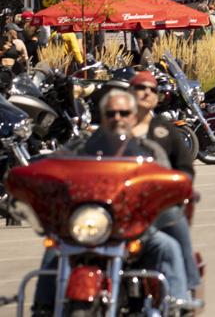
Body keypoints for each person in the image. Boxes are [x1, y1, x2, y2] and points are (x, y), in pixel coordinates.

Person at [34, 91, 192, 311]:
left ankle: (177, 303)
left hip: (133, 228)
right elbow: (55, 166)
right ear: (103, 116)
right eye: (112, 113)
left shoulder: (149, 151)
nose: (118, 117)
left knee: (168, 247)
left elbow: (164, 182)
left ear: (133, 116)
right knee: (55, 247)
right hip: (90, 223)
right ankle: (42, 308)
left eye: (124, 113)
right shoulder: (80, 147)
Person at [129, 71, 200, 294]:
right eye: (141, 87)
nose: (147, 92)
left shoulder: (164, 129)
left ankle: (186, 289)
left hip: (158, 204)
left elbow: (185, 167)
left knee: (175, 229)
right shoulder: (116, 125)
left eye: (152, 89)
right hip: (121, 203)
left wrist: (178, 188)